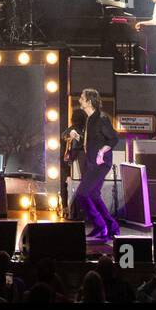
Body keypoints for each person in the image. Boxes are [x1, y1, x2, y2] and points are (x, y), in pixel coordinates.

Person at [66, 88, 120, 241]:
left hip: (100, 164)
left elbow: (113, 139)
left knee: (82, 194)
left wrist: (102, 151)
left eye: (82, 98)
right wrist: (79, 136)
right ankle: (110, 227)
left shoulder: (101, 118)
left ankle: (101, 225)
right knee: (94, 196)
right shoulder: (90, 118)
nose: (80, 100)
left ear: (89, 102)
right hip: (92, 164)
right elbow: (93, 140)